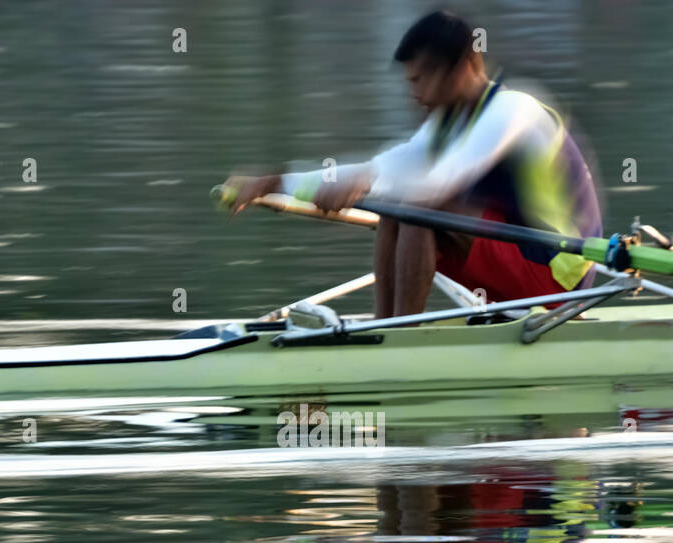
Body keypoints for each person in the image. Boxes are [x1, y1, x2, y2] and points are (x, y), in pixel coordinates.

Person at [225, 9, 603, 319]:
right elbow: (379, 169)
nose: (415, 95)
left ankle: (403, 339)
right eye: (410, 82)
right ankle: (387, 327)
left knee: (420, 204)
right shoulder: (447, 125)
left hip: (560, 278)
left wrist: (361, 187)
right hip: (518, 262)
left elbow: (439, 184)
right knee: (397, 204)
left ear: (465, 65)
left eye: (422, 79)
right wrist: (271, 183)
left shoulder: (515, 110)